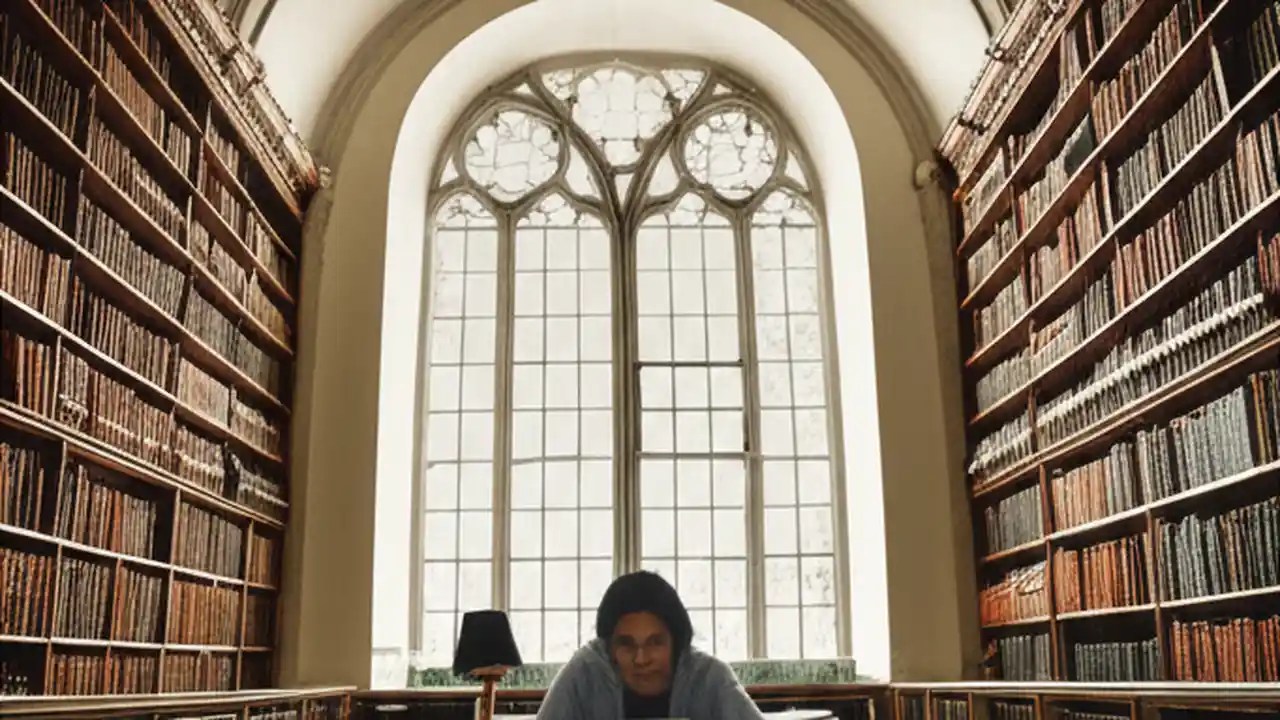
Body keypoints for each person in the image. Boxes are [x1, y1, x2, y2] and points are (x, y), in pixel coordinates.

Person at [536, 570, 765, 720]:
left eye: (655, 643)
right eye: (626, 645)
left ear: (677, 643)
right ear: (608, 649)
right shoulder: (582, 676)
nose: (641, 659)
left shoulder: (710, 678)